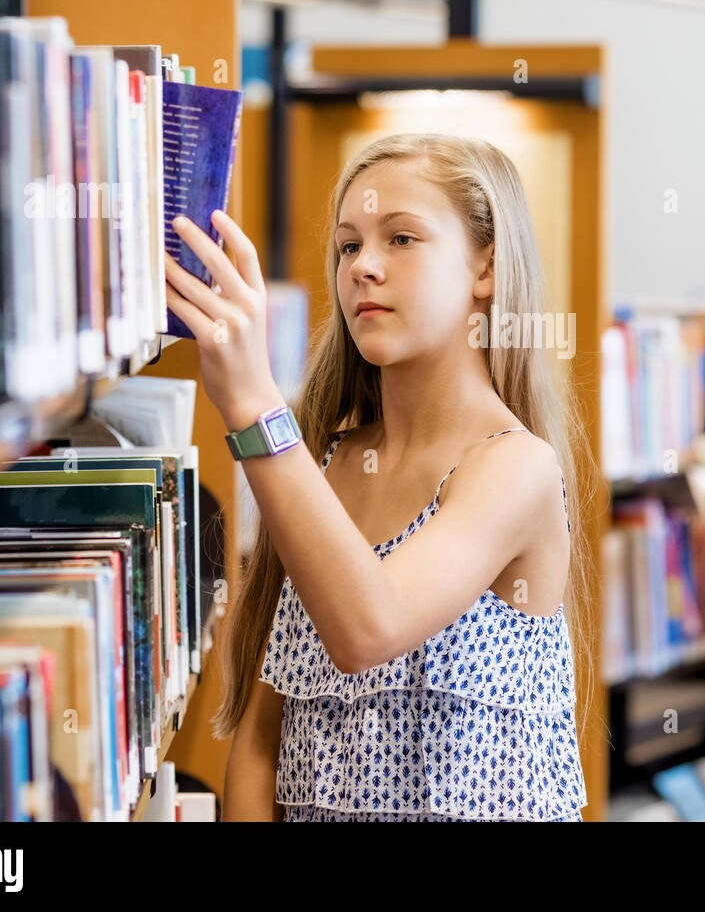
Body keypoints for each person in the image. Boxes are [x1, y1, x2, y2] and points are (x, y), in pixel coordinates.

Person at [167, 133, 590, 821]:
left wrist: (253, 403)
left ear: (485, 266)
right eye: (348, 245)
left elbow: (368, 625)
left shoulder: (515, 466)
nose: (364, 266)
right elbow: (261, 736)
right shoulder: (326, 465)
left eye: (401, 238)